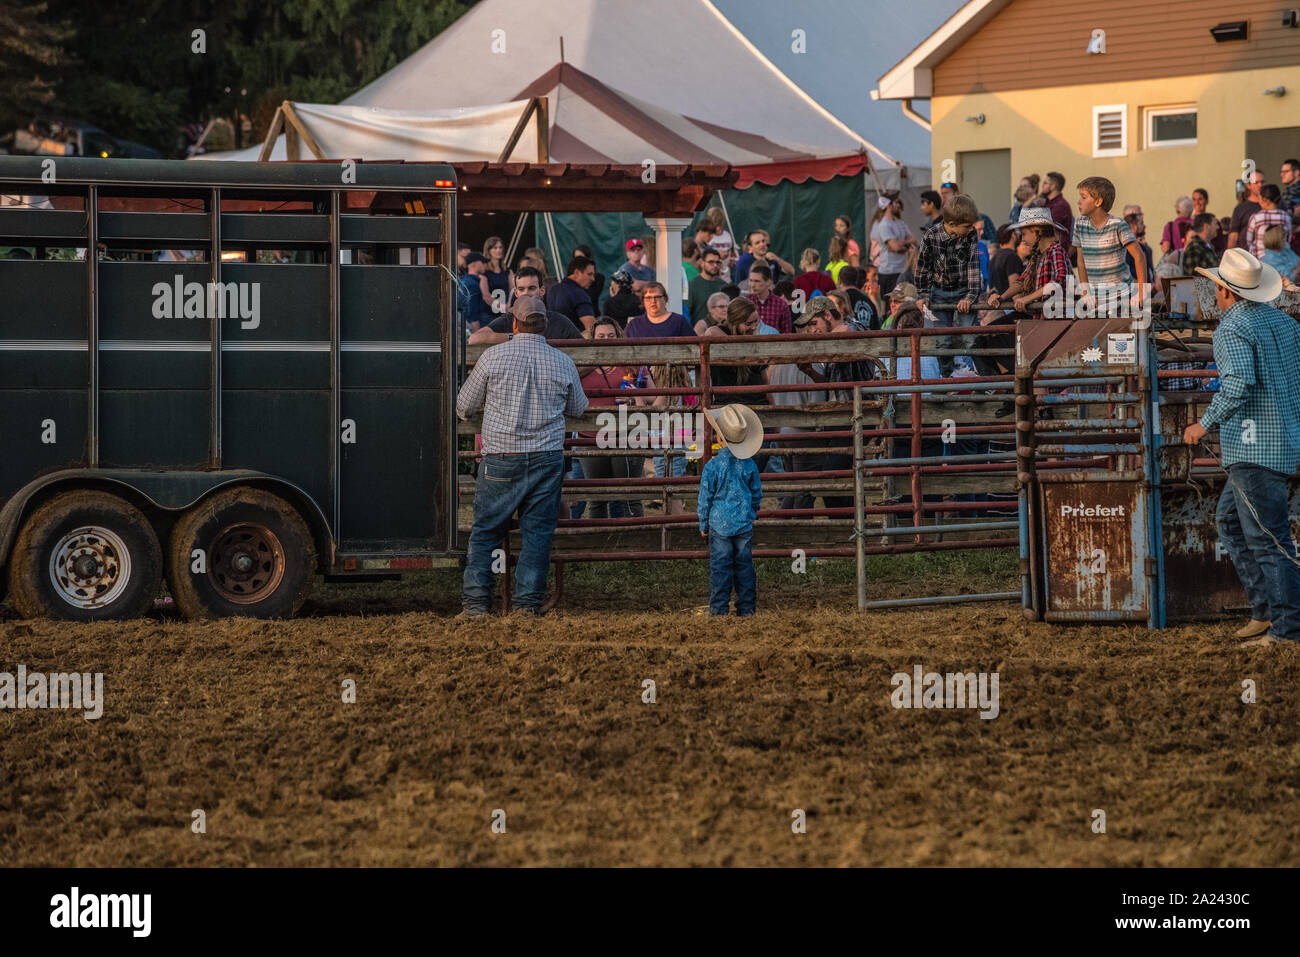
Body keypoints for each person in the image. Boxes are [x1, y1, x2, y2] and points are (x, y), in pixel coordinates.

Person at [1181, 249, 1300, 646]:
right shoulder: (1285, 323)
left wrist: (1203, 423)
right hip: (1278, 440)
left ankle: (1286, 629)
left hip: (1252, 446)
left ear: (1227, 292)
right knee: (1233, 522)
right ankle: (1266, 612)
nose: (1216, 293)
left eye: (1218, 287)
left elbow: (1237, 385)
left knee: (1269, 540)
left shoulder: (1231, 329)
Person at [455, 296, 588, 616]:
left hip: (502, 453)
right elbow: (579, 408)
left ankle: (476, 605)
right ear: (544, 325)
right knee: (537, 534)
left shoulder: (493, 357)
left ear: (514, 323)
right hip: (546, 455)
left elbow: (464, 406)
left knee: (486, 530)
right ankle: (527, 606)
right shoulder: (562, 361)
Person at [698, 404, 764, 616]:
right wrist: (751, 512)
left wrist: (703, 522)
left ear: (720, 438)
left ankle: (719, 609)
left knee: (721, 567)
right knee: (744, 566)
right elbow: (756, 494)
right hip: (743, 523)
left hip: (719, 524)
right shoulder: (750, 465)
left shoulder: (713, 466)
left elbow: (705, 497)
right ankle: (746, 608)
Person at [577, 317, 643, 520]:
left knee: (630, 495)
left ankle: (636, 541)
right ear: (592, 338)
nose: (606, 339)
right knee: (597, 498)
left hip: (624, 433)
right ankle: (600, 543)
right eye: (601, 336)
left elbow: (644, 400)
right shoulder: (581, 366)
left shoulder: (628, 365)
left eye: (611, 335)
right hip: (590, 435)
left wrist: (632, 400)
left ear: (618, 337)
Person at [914, 193, 981, 377]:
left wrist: (970, 296)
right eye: (966, 226)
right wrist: (922, 295)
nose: (970, 229)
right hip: (938, 292)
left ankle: (983, 379)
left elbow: (974, 267)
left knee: (972, 339)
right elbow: (923, 268)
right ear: (951, 224)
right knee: (942, 342)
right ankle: (946, 379)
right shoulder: (930, 236)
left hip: (962, 290)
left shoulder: (970, 235)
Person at [1074, 176, 1145, 313]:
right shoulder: (1079, 225)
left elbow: (1139, 256)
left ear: (1098, 202)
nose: (1078, 201)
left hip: (1121, 296)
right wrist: (1085, 293)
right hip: (1096, 299)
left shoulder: (1117, 225)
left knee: (1120, 332)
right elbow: (1081, 261)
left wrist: (1141, 292)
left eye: (1083, 197)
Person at [988, 207, 1071, 317]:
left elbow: (1060, 280)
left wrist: (1028, 298)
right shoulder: (1036, 257)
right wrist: (1001, 297)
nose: (1022, 239)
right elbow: (1022, 281)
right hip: (1041, 318)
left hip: (1055, 319)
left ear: (1038, 232)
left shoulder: (1055, 251)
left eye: (1024, 234)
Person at [469, 267, 583, 345]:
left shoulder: (559, 320)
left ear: (542, 291)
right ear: (516, 293)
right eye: (521, 289)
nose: (526, 293)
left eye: (532, 288)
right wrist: (515, 337)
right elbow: (474, 338)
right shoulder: (509, 319)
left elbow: (586, 349)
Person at [871, 194, 916, 296]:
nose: (898, 205)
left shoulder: (900, 223)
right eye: (895, 202)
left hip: (901, 270)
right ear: (889, 205)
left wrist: (899, 244)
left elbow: (913, 241)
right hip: (888, 272)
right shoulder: (883, 225)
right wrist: (905, 245)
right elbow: (896, 247)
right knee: (888, 303)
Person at [624, 282, 695, 339]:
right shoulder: (634, 325)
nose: (653, 301)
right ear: (643, 301)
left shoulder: (679, 322)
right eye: (648, 298)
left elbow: (694, 347)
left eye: (657, 297)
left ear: (665, 299)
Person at [545, 255, 597, 330]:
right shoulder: (579, 294)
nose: (593, 279)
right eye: (589, 274)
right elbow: (591, 328)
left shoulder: (552, 290)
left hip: (553, 340)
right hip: (575, 340)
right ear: (577, 272)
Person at [1244, 184, 1291, 260]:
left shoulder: (1256, 218)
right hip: (1281, 260)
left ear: (1265, 200)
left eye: (1259, 198)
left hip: (1260, 261)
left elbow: (1249, 241)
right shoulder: (1285, 217)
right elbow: (1288, 239)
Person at [744, 264, 794, 334]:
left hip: (774, 344)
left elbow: (786, 333)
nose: (752, 285)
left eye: (757, 281)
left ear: (768, 282)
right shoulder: (745, 302)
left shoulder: (781, 304)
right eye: (751, 281)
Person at [686, 245, 727, 327]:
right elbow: (687, 313)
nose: (715, 265)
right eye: (711, 262)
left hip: (721, 333)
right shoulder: (692, 285)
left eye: (717, 262)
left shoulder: (724, 285)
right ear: (702, 262)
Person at [457, 252, 495, 333]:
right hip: (472, 327)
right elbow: (472, 312)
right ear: (474, 264)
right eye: (483, 262)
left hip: (463, 324)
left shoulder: (463, 280)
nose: (485, 265)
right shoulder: (473, 284)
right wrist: (477, 334)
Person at [1040, 171, 1073, 255]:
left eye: (1045, 183)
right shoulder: (1047, 203)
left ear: (1053, 186)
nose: (1042, 186)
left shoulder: (1061, 205)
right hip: (1047, 251)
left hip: (1056, 253)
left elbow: (1046, 228)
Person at [1227, 171, 1263, 250]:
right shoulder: (1240, 208)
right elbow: (1233, 235)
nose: (1260, 185)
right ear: (1248, 185)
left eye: (1262, 182)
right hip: (1246, 254)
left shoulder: (1269, 205)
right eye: (1256, 183)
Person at [988, 223, 1024, 295]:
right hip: (1009, 303)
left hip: (997, 303)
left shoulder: (994, 258)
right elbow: (1014, 286)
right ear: (1013, 235)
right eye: (1017, 233)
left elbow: (990, 287)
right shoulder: (1012, 257)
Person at [839, 266, 879, 330]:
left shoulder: (840, 300)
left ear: (839, 281)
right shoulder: (869, 302)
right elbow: (876, 328)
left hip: (850, 339)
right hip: (869, 339)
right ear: (856, 280)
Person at [1124, 212, 1155, 285]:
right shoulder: (1125, 249)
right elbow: (1124, 276)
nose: (1144, 226)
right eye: (1141, 223)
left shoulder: (1143, 247)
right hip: (1134, 292)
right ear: (1133, 227)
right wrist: (1142, 286)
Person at [482, 236, 512, 306]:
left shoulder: (508, 271)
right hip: (489, 313)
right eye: (495, 248)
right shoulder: (484, 271)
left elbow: (512, 291)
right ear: (488, 250)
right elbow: (486, 295)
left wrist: (508, 306)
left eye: (500, 247)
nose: (498, 250)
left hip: (506, 311)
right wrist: (502, 307)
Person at [573, 244, 604, 310]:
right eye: (576, 258)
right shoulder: (572, 279)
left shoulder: (598, 278)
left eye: (580, 257)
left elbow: (591, 297)